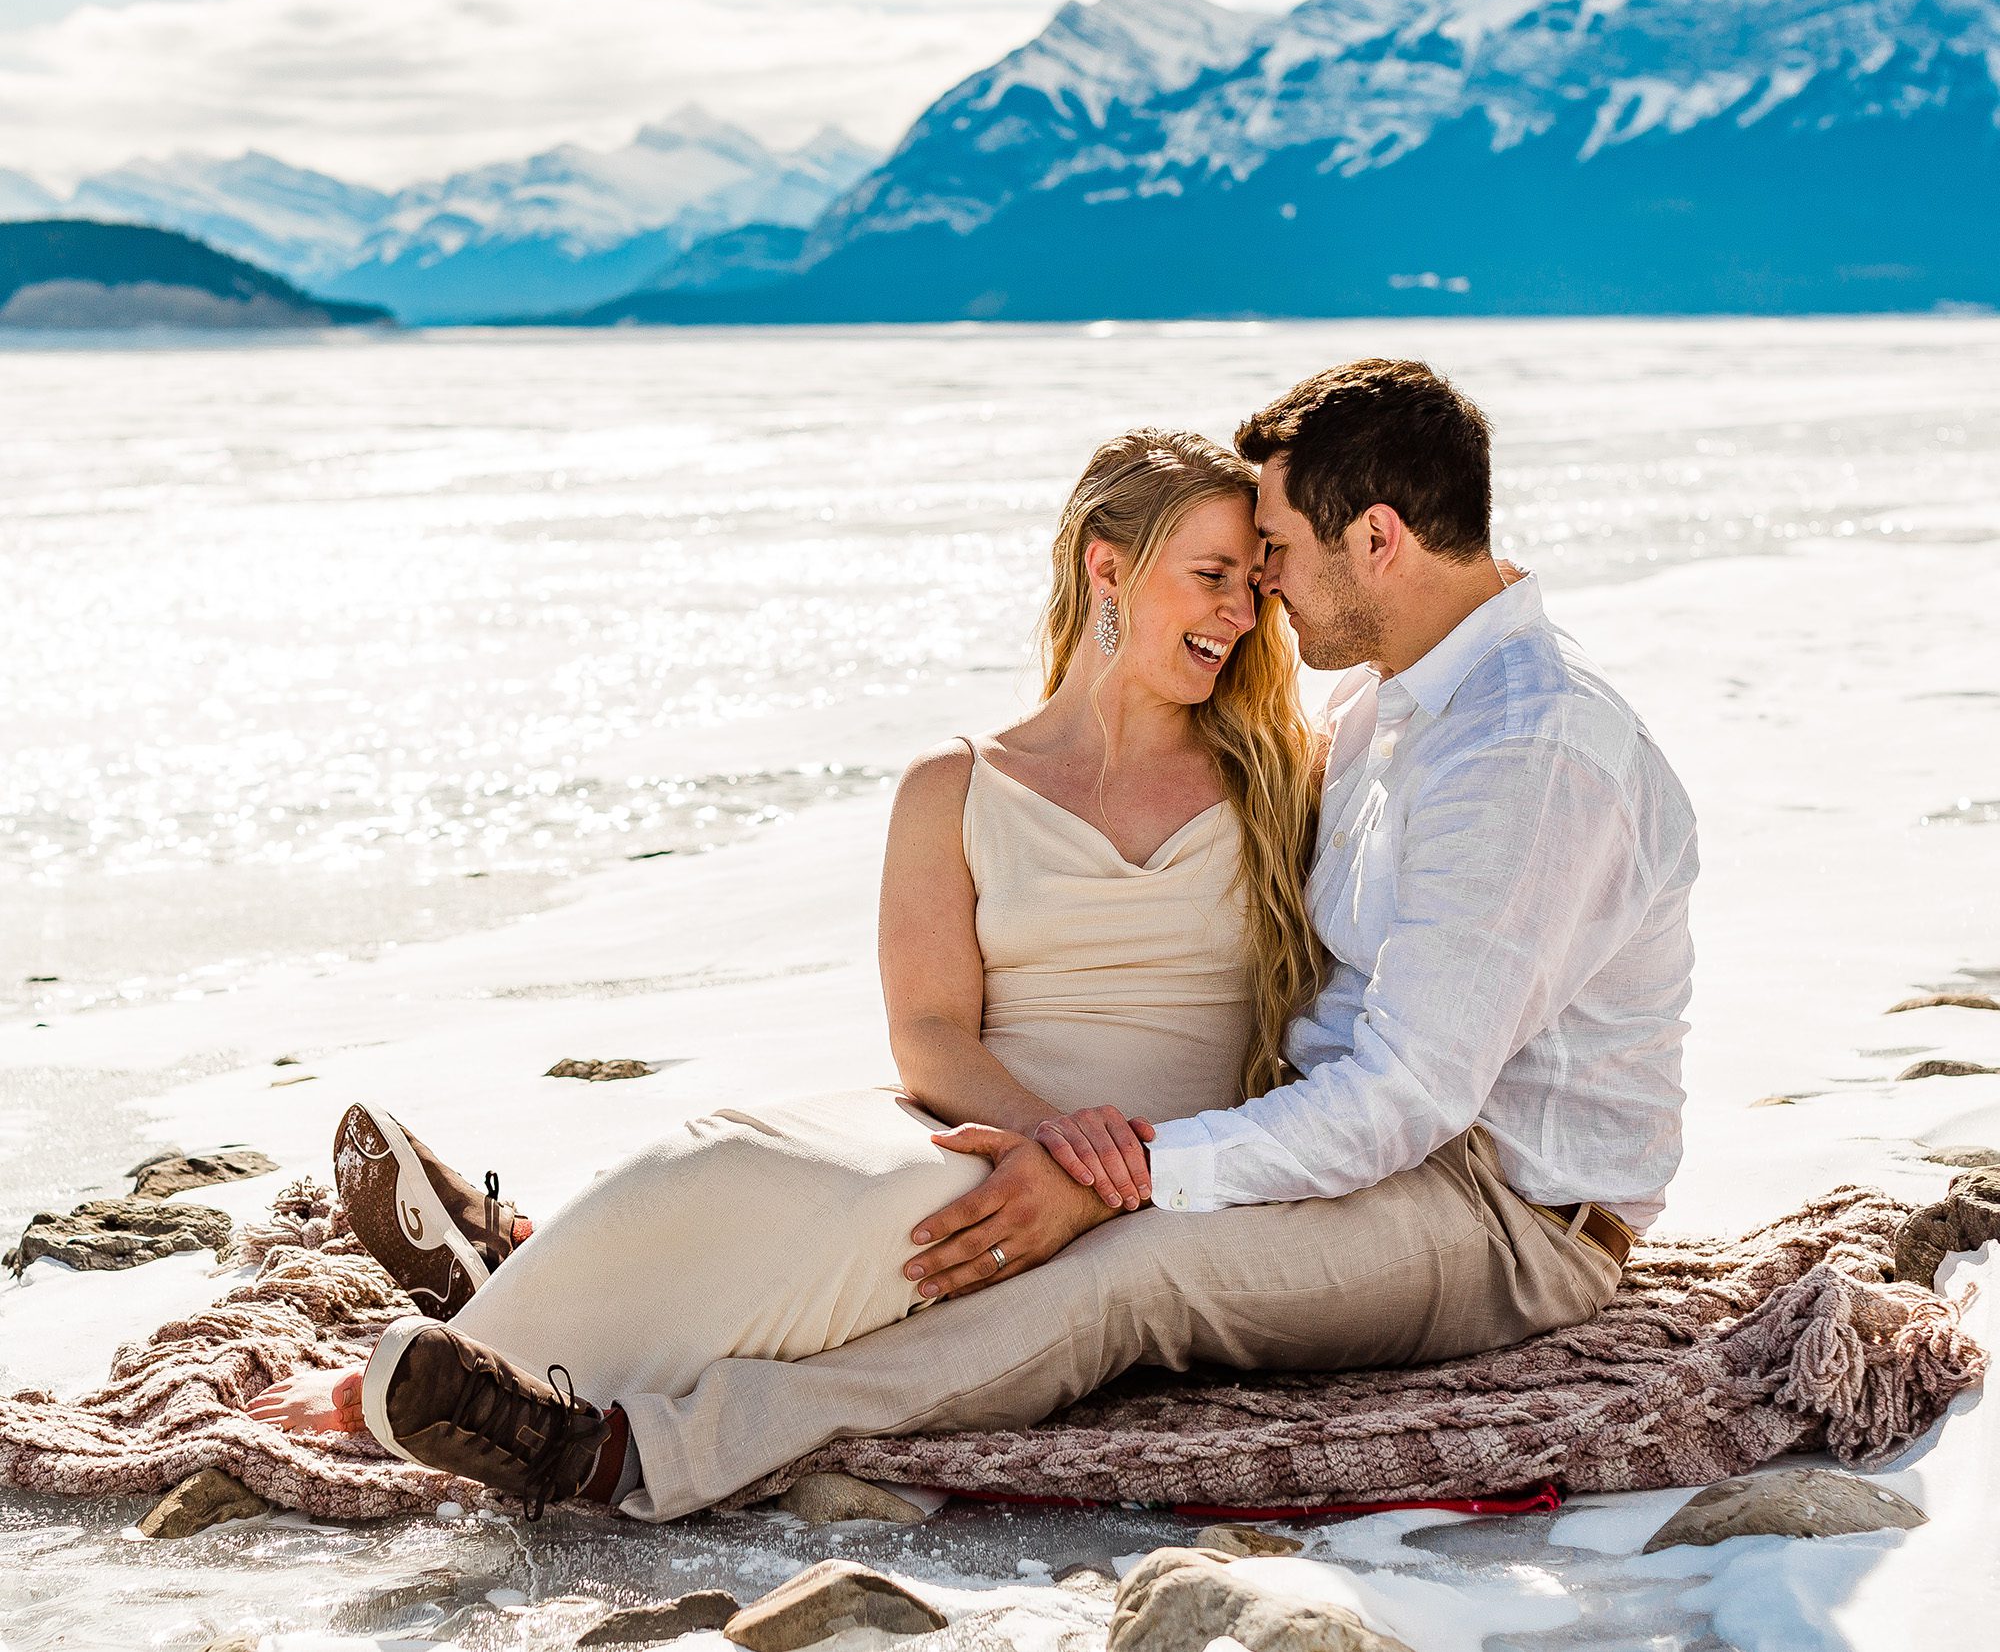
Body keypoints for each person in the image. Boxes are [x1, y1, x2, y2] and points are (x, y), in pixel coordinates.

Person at [261, 358, 1699, 1525]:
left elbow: (1408, 1096)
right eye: (1233, 559)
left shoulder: (1528, 752)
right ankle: (521, 1287)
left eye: (1273, 553)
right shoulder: (1394, 713)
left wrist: (1123, 1173)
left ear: (1374, 537)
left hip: (1501, 1214)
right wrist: (1095, 1144)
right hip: (1332, 1146)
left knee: (1114, 1273)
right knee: (786, 1167)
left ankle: (631, 1450)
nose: (1263, 591)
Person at [251, 425, 1324, 1513]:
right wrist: (1050, 1135)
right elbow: (931, 1032)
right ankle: (491, 1323)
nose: (1240, 612)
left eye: (1253, 584)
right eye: (1211, 577)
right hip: (980, 1122)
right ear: (1106, 566)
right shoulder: (954, 783)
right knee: (730, 1159)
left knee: (897, 1226)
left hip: (1179, 1166)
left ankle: (477, 1346)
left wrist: (1106, 1168)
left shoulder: (1288, 776)